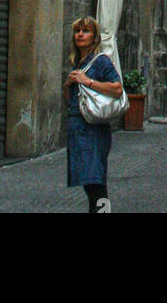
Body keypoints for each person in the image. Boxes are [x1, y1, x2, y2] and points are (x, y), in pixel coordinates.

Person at [65, 15, 123, 213]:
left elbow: (117, 88)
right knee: (89, 182)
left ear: (95, 37)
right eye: (77, 31)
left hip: (93, 129)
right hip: (78, 128)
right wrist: (69, 85)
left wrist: (87, 81)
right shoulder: (78, 62)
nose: (80, 34)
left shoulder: (101, 61)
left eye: (86, 31)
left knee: (95, 182)